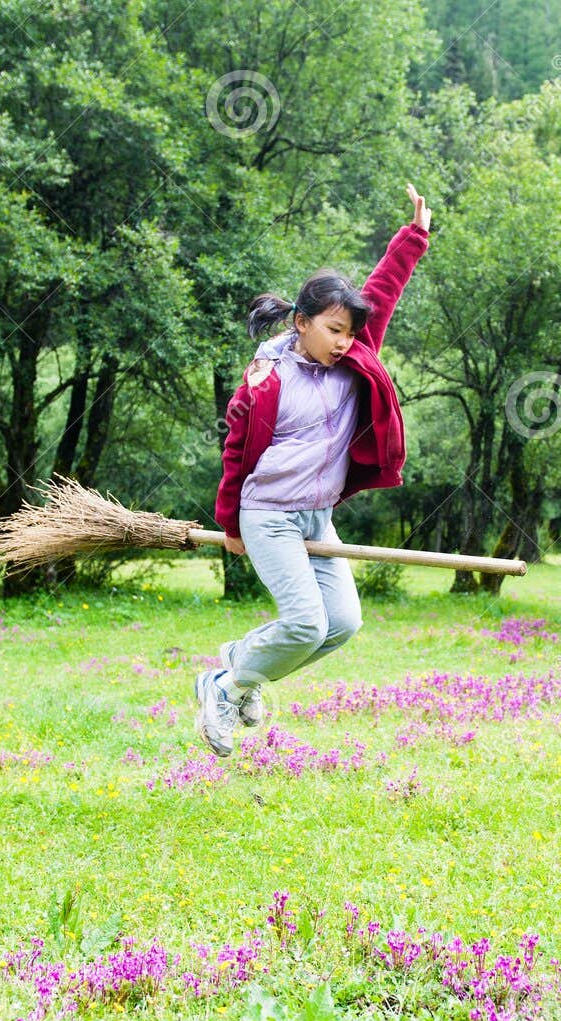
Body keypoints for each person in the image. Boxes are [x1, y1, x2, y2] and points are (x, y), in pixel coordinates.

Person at [193, 183, 433, 757]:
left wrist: (415, 236)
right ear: (300, 322)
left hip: (316, 517)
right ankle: (224, 688)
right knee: (303, 625)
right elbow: (237, 456)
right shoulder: (265, 380)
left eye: (350, 331)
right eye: (333, 329)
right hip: (267, 515)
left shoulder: (353, 357)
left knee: (341, 625)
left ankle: (237, 664)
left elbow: (383, 289)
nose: (344, 341)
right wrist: (230, 526)